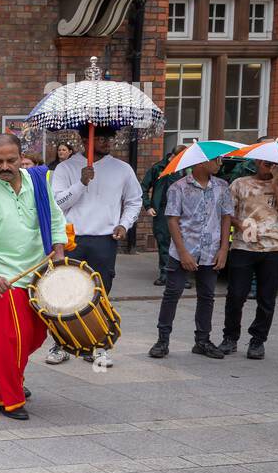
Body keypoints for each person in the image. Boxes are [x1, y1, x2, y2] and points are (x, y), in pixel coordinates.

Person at [0, 134, 67, 421]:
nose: (5, 166)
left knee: (36, 335)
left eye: (11, 160)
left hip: (40, 274)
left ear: (22, 157)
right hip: (4, 277)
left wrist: (58, 251)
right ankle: (8, 398)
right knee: (12, 339)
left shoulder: (38, 182)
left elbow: (57, 220)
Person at [47, 128, 142, 368]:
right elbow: (57, 203)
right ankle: (61, 343)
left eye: (108, 138)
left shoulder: (122, 169)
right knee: (65, 293)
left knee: (100, 294)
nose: (106, 142)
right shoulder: (66, 168)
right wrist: (80, 183)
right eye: (99, 138)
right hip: (73, 238)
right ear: (84, 141)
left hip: (104, 239)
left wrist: (124, 224)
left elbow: (134, 200)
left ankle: (98, 346)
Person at [149, 157, 233, 359]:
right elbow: (172, 220)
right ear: (201, 163)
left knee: (207, 296)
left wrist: (224, 249)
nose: (219, 164)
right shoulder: (178, 187)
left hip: (210, 252)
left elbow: (226, 217)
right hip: (182, 251)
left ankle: (202, 341)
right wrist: (183, 252)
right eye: (216, 161)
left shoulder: (222, 186)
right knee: (172, 293)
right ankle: (162, 341)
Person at [218, 152, 278, 360]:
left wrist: (276, 185)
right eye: (264, 160)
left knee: (267, 298)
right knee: (236, 294)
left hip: (274, 248)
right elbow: (228, 213)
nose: (267, 165)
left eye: (272, 162)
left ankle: (257, 341)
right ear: (255, 161)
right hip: (243, 246)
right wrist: (240, 225)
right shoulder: (240, 183)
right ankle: (230, 337)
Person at [141, 148, 182, 285]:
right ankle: (165, 274)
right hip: (162, 210)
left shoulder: (186, 169)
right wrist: (148, 206)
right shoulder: (158, 168)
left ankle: (182, 276)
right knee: (164, 242)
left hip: (182, 212)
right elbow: (143, 187)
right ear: (173, 156)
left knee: (182, 243)